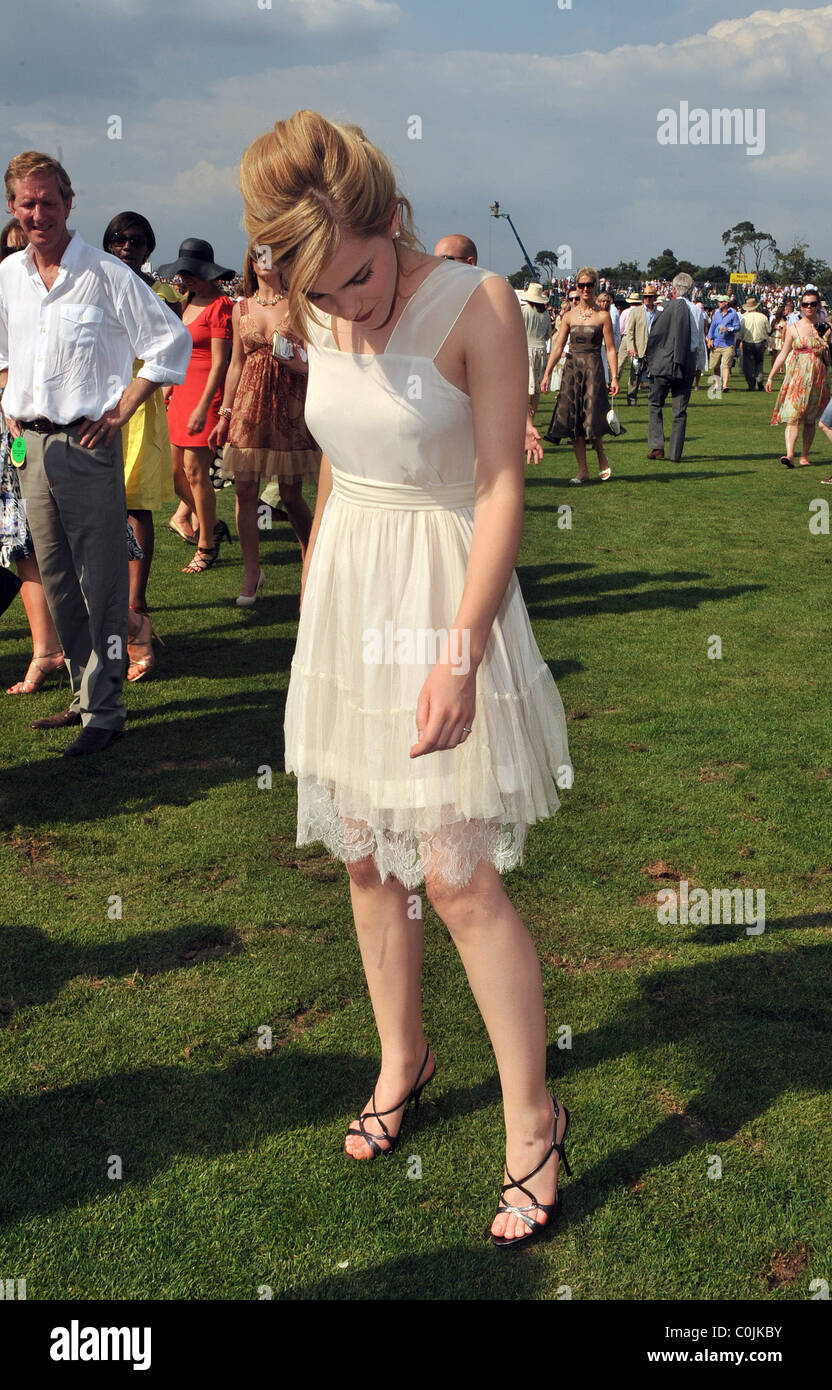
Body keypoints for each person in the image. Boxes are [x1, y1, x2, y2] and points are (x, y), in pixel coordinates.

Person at [240, 109, 573, 1249]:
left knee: (458, 871)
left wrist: (461, 650)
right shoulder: (313, 299)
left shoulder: (477, 307)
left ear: (394, 222)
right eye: (319, 292)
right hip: (346, 593)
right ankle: (403, 1059)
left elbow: (498, 491)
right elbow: (338, 470)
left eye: (358, 278)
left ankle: (533, 1122)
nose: (344, 306)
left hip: (444, 590)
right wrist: (311, 617)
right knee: (366, 854)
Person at [0, 151, 191, 754]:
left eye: (48, 201)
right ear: (12, 207)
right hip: (29, 447)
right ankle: (85, 694)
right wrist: (9, 406)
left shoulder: (107, 273)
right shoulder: (8, 276)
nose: (38, 213)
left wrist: (124, 407)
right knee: (54, 578)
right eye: (26, 203)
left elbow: (169, 341)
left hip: (88, 444)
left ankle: (105, 711)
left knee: (101, 579)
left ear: (68, 202)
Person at [209, 246, 320, 602]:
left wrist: (299, 363)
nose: (266, 260)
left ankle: (311, 558)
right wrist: (224, 414)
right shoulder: (240, 306)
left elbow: (314, 354)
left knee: (290, 494)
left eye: (274, 253)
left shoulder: (300, 303)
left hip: (290, 400)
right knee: (244, 491)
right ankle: (251, 574)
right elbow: (235, 364)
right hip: (249, 403)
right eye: (259, 253)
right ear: (251, 261)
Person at [103, 211, 183, 680]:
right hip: (98, 405)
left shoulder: (163, 295)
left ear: (149, 247)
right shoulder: (96, 285)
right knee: (98, 506)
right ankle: (113, 612)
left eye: (136, 240)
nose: (126, 246)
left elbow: (171, 347)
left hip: (141, 405)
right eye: (118, 239)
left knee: (136, 506)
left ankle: (136, 601)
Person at [0, 216, 66, 696]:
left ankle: (130, 624)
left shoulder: (55, 302)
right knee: (26, 550)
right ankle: (47, 650)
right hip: (11, 438)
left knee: (58, 548)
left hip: (42, 437)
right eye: (10, 250)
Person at [156, 238, 234, 574]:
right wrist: (170, 387)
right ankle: (212, 523)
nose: (185, 278)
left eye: (191, 272)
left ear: (206, 272)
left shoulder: (220, 306)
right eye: (183, 272)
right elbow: (181, 352)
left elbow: (220, 363)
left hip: (205, 394)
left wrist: (206, 406)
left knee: (195, 472)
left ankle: (207, 545)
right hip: (182, 391)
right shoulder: (186, 302)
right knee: (174, 474)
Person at [541, 265, 620, 483]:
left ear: (595, 286)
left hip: (594, 369)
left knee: (593, 417)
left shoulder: (603, 316)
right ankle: (582, 470)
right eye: (581, 285)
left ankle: (601, 455)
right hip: (572, 370)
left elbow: (611, 348)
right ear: (576, 287)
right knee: (574, 420)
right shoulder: (568, 316)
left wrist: (614, 377)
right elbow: (557, 347)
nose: (585, 289)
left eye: (589, 285)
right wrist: (547, 374)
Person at [766, 288, 831, 467]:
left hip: (818, 378)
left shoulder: (826, 327)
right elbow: (783, 353)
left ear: (818, 305)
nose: (809, 307)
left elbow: (829, 357)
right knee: (793, 417)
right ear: (800, 306)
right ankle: (789, 455)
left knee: (810, 420)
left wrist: (824, 341)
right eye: (805, 304)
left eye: (812, 304)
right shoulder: (793, 328)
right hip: (797, 378)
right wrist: (771, 376)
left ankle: (804, 456)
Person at [644, 272, 699, 462]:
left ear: (673, 289)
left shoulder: (662, 308)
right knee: (680, 411)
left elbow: (654, 337)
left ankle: (657, 446)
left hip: (662, 363)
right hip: (686, 363)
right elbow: (697, 341)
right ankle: (675, 454)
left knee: (655, 404)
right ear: (691, 290)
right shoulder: (697, 310)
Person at [518, 282, 550, 418]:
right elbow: (548, 334)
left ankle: (525, 417)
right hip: (541, 350)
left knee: (524, 385)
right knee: (536, 386)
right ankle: (532, 414)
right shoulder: (546, 314)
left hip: (527, 350)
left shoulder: (523, 311)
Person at [622, 284, 658, 405]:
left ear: (654, 298)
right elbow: (629, 331)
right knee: (635, 376)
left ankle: (653, 400)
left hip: (654, 350)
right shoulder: (635, 312)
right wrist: (632, 348)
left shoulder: (659, 312)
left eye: (650, 296)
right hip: (639, 349)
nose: (647, 299)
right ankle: (632, 399)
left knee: (654, 376)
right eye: (646, 296)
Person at [707, 295, 741, 393]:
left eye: (721, 302)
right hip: (717, 343)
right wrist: (710, 339)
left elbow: (738, 327)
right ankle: (717, 385)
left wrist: (728, 329)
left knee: (725, 365)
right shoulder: (716, 313)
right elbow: (712, 327)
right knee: (716, 366)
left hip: (728, 344)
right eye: (718, 302)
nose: (719, 303)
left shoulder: (733, 313)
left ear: (726, 302)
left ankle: (725, 385)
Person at [737, 297, 769, 392]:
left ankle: (751, 384)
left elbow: (740, 333)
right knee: (759, 362)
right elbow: (768, 330)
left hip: (748, 343)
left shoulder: (744, 319)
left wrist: (739, 342)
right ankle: (759, 379)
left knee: (749, 364)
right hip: (760, 342)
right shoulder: (763, 317)